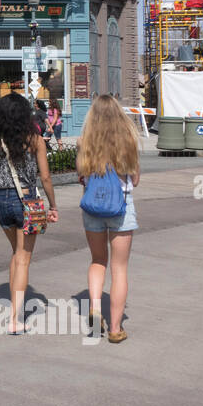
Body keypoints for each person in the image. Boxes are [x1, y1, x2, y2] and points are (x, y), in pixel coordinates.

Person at [0, 92, 59, 335]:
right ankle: (14, 318)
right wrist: (53, 206)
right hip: (27, 201)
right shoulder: (35, 140)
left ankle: (13, 308)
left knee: (15, 253)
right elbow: (45, 177)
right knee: (23, 258)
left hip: (1, 200)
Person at [77, 95, 140, 343]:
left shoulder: (84, 141)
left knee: (98, 260)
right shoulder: (128, 141)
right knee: (119, 267)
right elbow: (134, 180)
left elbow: (81, 176)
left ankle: (94, 309)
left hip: (92, 207)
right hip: (121, 209)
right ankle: (115, 328)